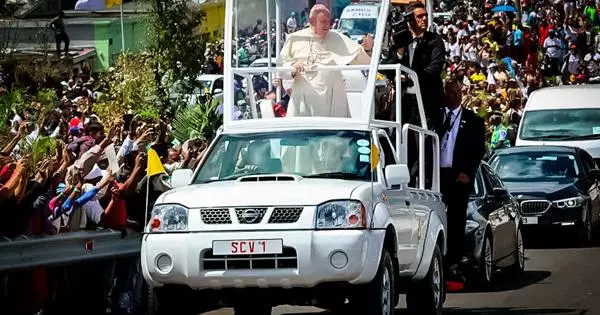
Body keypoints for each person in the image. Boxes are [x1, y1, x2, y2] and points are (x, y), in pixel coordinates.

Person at [277, 4, 374, 118]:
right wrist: (292, 67)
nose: (327, 25)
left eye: (329, 21)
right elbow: (281, 66)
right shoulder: (295, 38)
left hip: (332, 98)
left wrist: (367, 49)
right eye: (323, 21)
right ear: (312, 21)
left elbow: (362, 60)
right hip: (304, 99)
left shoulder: (338, 38)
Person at [435, 78, 486, 280]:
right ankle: (438, 257)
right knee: (437, 218)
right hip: (437, 175)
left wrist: (468, 171)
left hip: (458, 176)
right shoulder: (436, 117)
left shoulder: (473, 120)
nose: (452, 95)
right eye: (448, 91)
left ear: (461, 94)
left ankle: (453, 260)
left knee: (456, 220)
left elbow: (478, 149)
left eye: (456, 91)